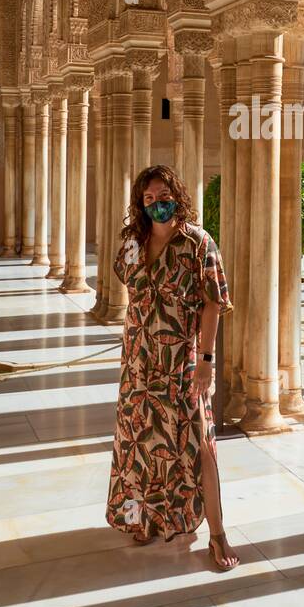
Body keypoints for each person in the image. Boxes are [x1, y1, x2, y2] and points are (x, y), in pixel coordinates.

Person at [105, 164, 239, 571]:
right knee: (136, 445)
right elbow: (130, 288)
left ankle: (217, 533)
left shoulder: (198, 243)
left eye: (163, 197)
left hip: (181, 361)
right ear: (140, 205)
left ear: (176, 196)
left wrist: (206, 361)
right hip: (139, 364)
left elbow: (214, 302)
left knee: (200, 443)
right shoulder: (133, 242)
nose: (157, 205)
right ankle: (142, 520)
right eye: (148, 200)